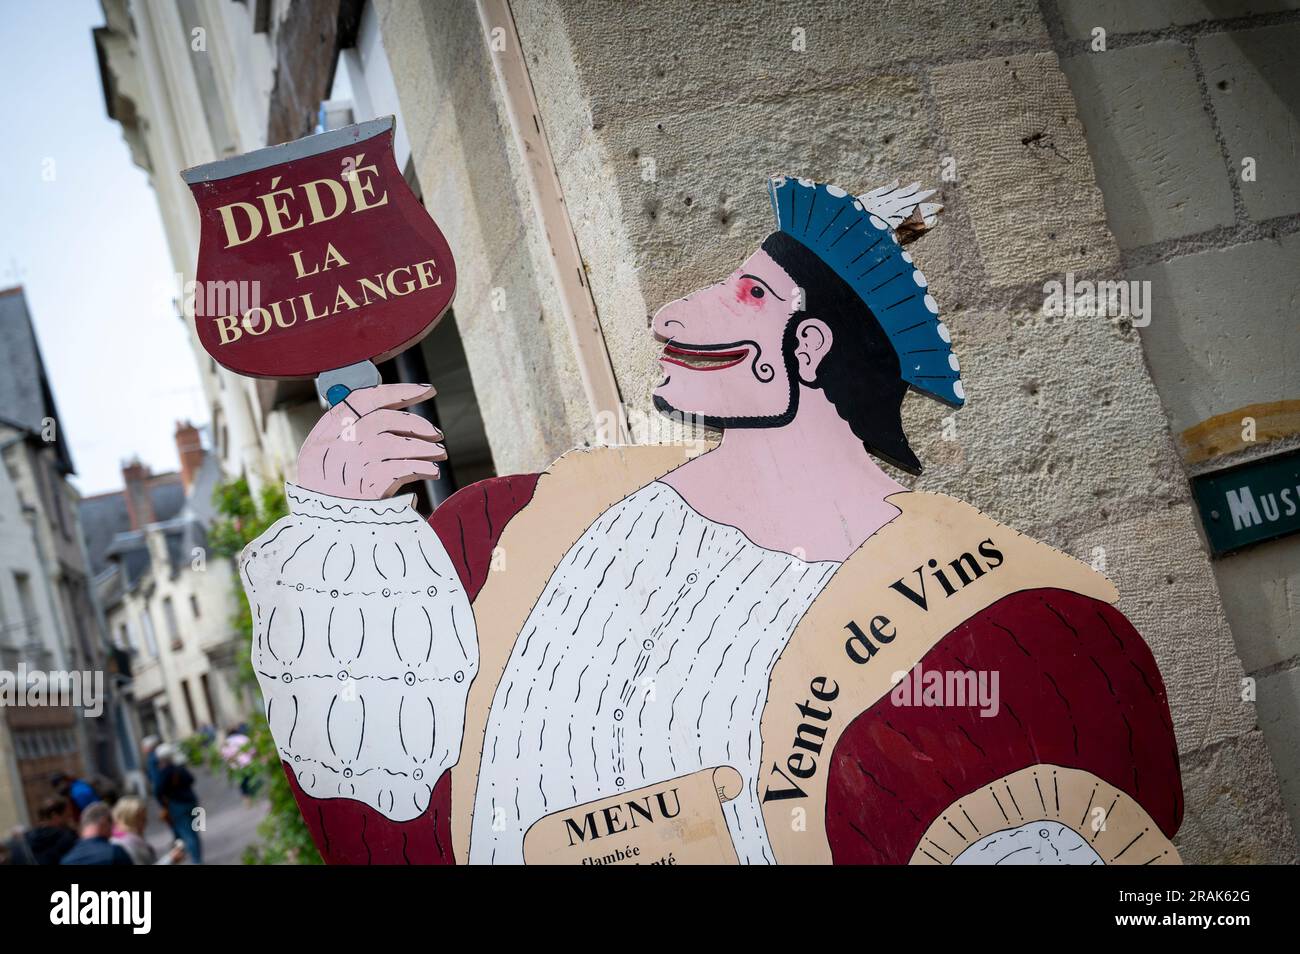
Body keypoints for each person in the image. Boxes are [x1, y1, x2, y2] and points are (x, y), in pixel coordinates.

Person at [240, 176, 1183, 865]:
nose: (671, 312)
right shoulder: (510, 529)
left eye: (748, 294)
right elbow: (376, 783)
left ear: (807, 348)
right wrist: (344, 534)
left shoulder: (1002, 625)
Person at [154, 745, 203, 864]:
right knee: (194, 831)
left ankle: (196, 861)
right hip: (191, 801)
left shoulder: (164, 771)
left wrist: (163, 804)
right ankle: (197, 858)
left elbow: (158, 791)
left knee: (187, 833)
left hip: (177, 804)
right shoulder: (179, 768)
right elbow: (191, 779)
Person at [111, 797, 185, 865]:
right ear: (129, 819)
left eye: (145, 818)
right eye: (142, 819)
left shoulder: (125, 837)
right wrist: (170, 859)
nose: (146, 822)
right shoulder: (127, 845)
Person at [6, 797, 78, 865]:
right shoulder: (67, 837)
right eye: (67, 816)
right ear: (55, 816)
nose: (70, 820)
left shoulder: (23, 841)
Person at [60, 802, 133, 865]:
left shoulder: (66, 860)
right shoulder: (114, 853)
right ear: (104, 822)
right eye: (111, 824)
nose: (112, 831)